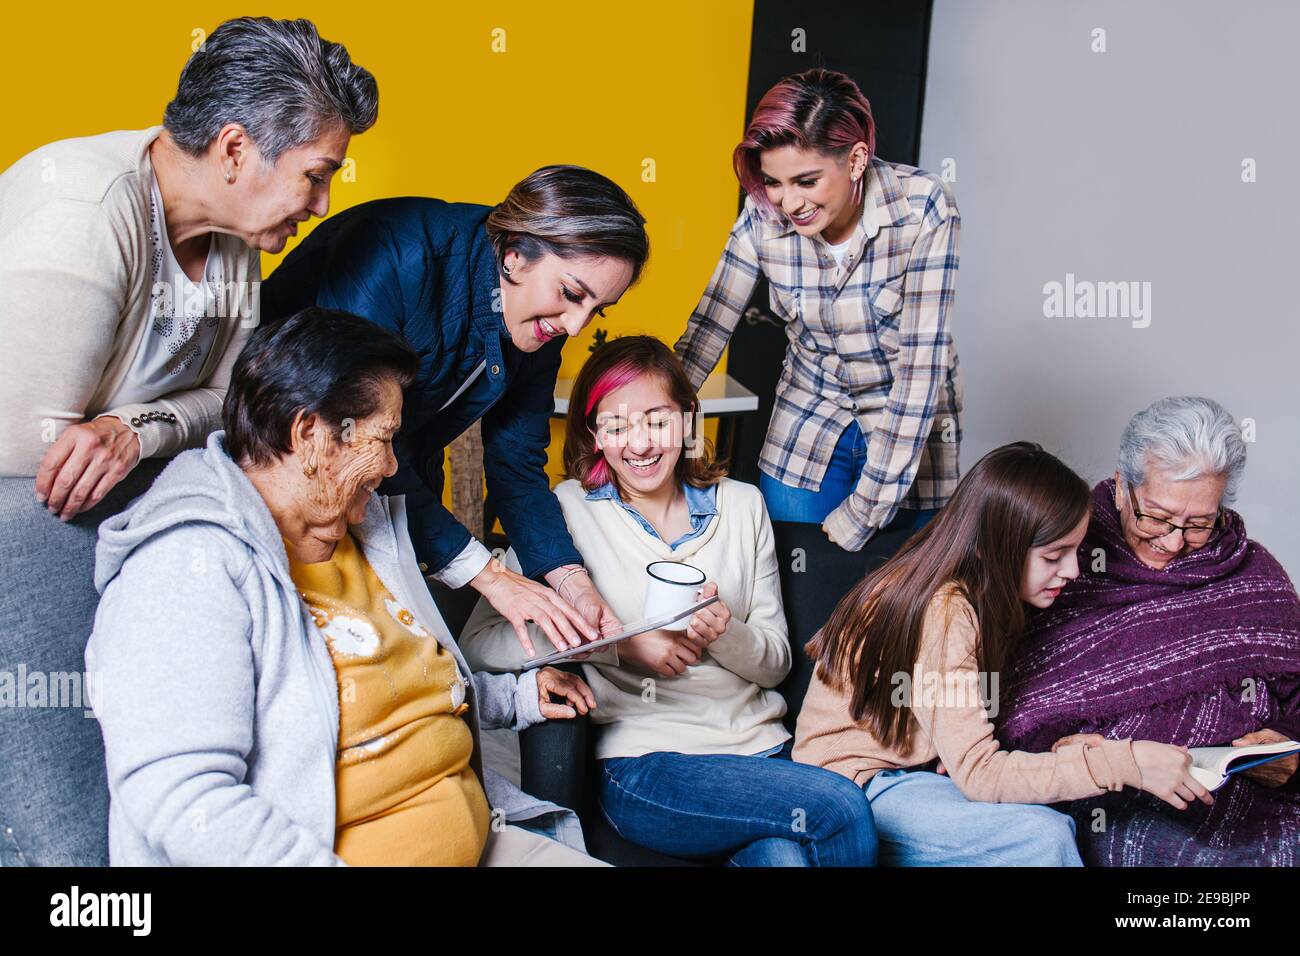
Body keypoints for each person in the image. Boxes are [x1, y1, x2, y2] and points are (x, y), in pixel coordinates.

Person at [86, 308, 605, 866]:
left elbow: (395, 682)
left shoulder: (367, 526)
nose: (389, 467)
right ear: (309, 435)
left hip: (478, 837)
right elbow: (185, 802)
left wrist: (512, 697)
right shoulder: (186, 567)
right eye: (383, 441)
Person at [461, 336, 878, 866]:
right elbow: (479, 647)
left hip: (759, 754)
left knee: (785, 860)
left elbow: (775, 665)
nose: (639, 444)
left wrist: (724, 633)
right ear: (594, 433)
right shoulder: (563, 512)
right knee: (839, 805)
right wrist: (617, 646)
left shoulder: (744, 506)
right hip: (645, 764)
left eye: (658, 420)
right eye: (616, 425)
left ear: (688, 421)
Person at [260, 167, 649, 657]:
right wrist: (489, 575)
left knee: (403, 659)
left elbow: (517, 462)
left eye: (598, 308)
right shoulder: (399, 258)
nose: (576, 327)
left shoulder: (539, 323)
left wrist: (572, 581)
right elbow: (354, 439)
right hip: (291, 470)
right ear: (513, 255)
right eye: (572, 294)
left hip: (394, 480)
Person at [0, 16, 377, 519]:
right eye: (315, 176)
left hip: (124, 506)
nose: (322, 205)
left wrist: (134, 431)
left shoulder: (237, 234)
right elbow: (35, 462)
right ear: (235, 151)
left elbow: (229, 401)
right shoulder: (83, 213)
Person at [795, 442, 1212, 866]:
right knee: (1042, 838)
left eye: (1074, 553)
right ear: (997, 546)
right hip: (853, 790)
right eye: (1054, 556)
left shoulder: (976, 595)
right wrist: (1126, 764)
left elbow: (970, 740)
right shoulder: (945, 611)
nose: (1072, 571)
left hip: (905, 774)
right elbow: (980, 775)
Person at [998, 397, 1300, 866]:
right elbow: (1010, 704)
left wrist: (1285, 745)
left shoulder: (1253, 574)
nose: (1173, 541)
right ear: (1121, 488)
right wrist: (1065, 749)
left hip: (1247, 793)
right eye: (1157, 517)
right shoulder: (1066, 554)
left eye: (1199, 524)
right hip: (1106, 791)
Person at [674, 67, 960, 559]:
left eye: (807, 181)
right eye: (774, 182)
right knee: (794, 596)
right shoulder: (764, 213)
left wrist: (865, 509)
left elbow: (921, 370)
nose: (789, 202)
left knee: (900, 606)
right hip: (806, 423)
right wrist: (647, 420)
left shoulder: (924, 208)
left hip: (908, 436)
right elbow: (705, 331)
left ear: (855, 159)